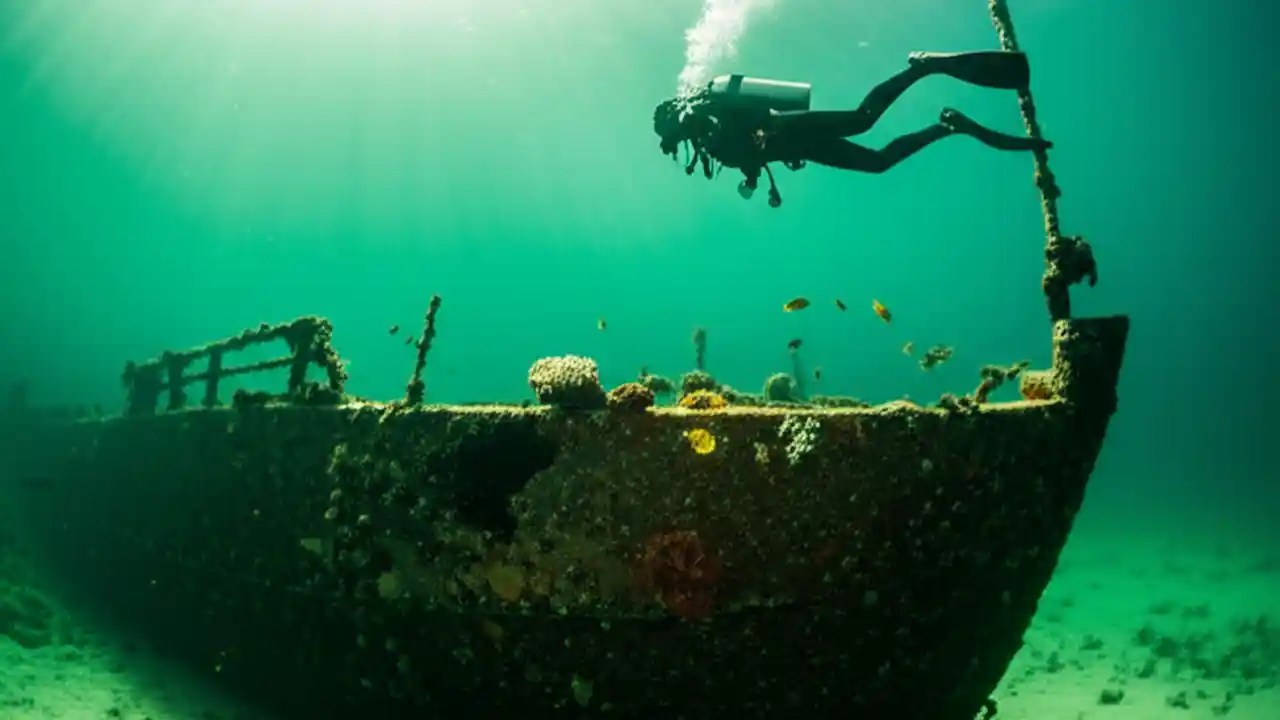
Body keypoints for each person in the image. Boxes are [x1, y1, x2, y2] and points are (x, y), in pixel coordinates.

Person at [652, 50, 1052, 207]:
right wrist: (753, 179)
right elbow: (746, 154)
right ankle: (949, 126)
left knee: (863, 119)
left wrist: (694, 125)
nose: (674, 146)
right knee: (878, 162)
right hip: (797, 146)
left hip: (788, 129)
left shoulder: (698, 118)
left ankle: (924, 67)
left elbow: (734, 127)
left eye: (670, 139)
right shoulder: (708, 144)